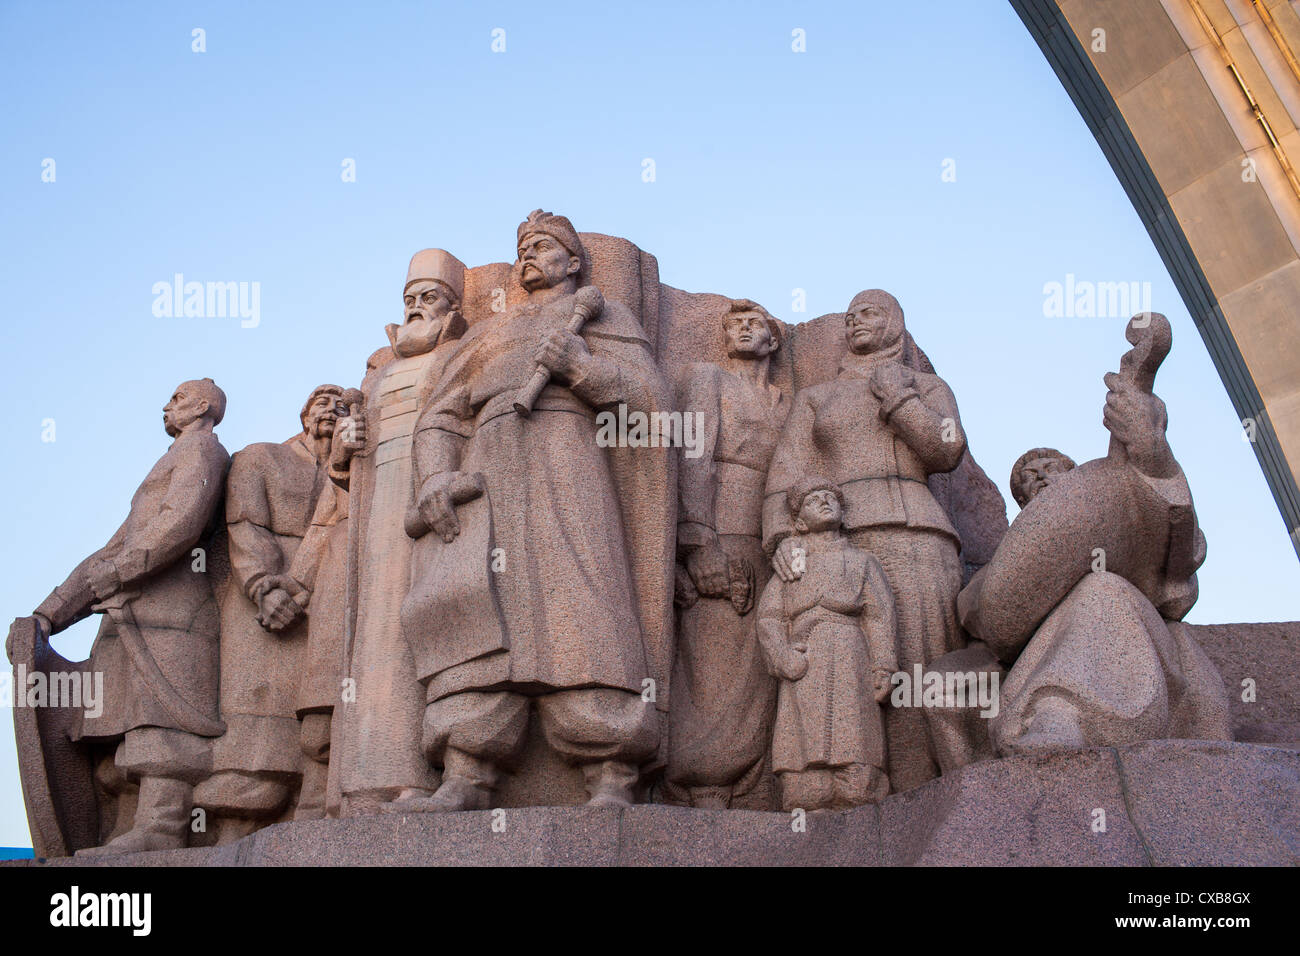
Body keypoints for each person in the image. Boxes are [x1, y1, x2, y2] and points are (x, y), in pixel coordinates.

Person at [398, 209, 675, 810]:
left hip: (568, 463)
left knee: (582, 605)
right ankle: (465, 772)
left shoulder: (605, 320)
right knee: (478, 610)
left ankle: (612, 773)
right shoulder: (490, 334)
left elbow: (650, 411)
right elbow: (440, 415)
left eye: (544, 246)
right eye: (522, 247)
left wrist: (582, 369)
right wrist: (437, 476)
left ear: (573, 262)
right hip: (487, 476)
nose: (529, 256)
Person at [764, 289, 967, 792]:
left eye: (869, 313)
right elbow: (782, 478)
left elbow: (946, 450)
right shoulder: (818, 396)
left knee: (921, 662)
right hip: (841, 540)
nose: (856, 321)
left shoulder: (926, 386)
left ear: (896, 321)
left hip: (920, 532)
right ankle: (861, 785)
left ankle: (932, 790)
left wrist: (899, 395)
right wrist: (781, 541)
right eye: (850, 316)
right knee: (852, 672)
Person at [25, 379, 230, 855]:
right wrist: (52, 612)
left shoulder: (202, 450)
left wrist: (117, 573)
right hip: (132, 611)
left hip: (172, 610)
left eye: (177, 398)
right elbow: (115, 544)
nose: (167, 405)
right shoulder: (171, 458)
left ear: (203, 406)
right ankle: (133, 828)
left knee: (164, 727)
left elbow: (180, 523)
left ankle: (162, 828)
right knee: (123, 729)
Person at [666, 298, 786, 809]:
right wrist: (699, 541)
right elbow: (693, 456)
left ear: (773, 340)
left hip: (775, 544)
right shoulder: (707, 379)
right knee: (714, 666)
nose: (741, 330)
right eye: (733, 324)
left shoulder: (785, 401)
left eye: (752, 323)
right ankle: (706, 783)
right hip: (724, 535)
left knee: (761, 668)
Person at [756, 477, 897, 811]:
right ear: (799, 521)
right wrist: (781, 655)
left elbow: (879, 614)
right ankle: (807, 790)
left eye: (830, 497)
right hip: (805, 657)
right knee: (802, 748)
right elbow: (770, 617)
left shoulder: (863, 562)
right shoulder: (792, 565)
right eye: (813, 499)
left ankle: (857, 786)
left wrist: (884, 665)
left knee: (855, 733)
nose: (824, 501)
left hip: (850, 652)